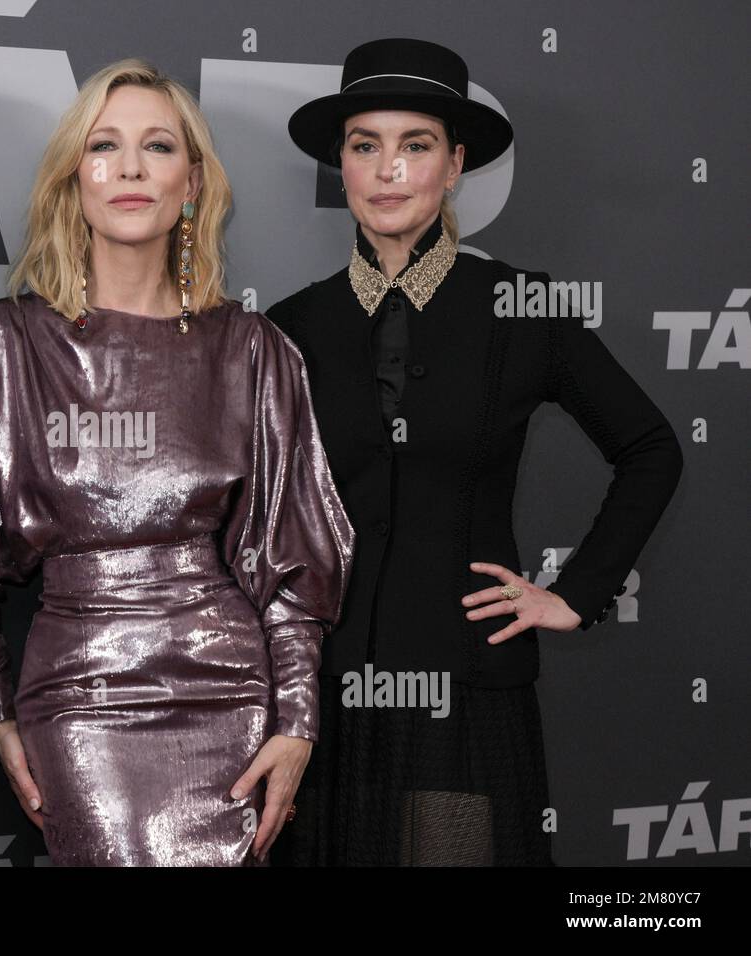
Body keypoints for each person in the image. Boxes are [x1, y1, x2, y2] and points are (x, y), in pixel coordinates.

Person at [267, 37, 683, 865]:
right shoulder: (288, 327)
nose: (389, 171)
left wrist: (575, 594)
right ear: (341, 167)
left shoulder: (524, 307)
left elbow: (650, 447)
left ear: (454, 166)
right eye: (365, 146)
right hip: (321, 704)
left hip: (462, 702)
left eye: (414, 146)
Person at [0, 59, 354, 866]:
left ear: (192, 183)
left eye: (158, 147)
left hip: (230, 693)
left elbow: (290, 557)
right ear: (74, 178)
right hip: (77, 703)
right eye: (105, 146)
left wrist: (297, 720)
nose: (131, 168)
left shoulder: (253, 351)